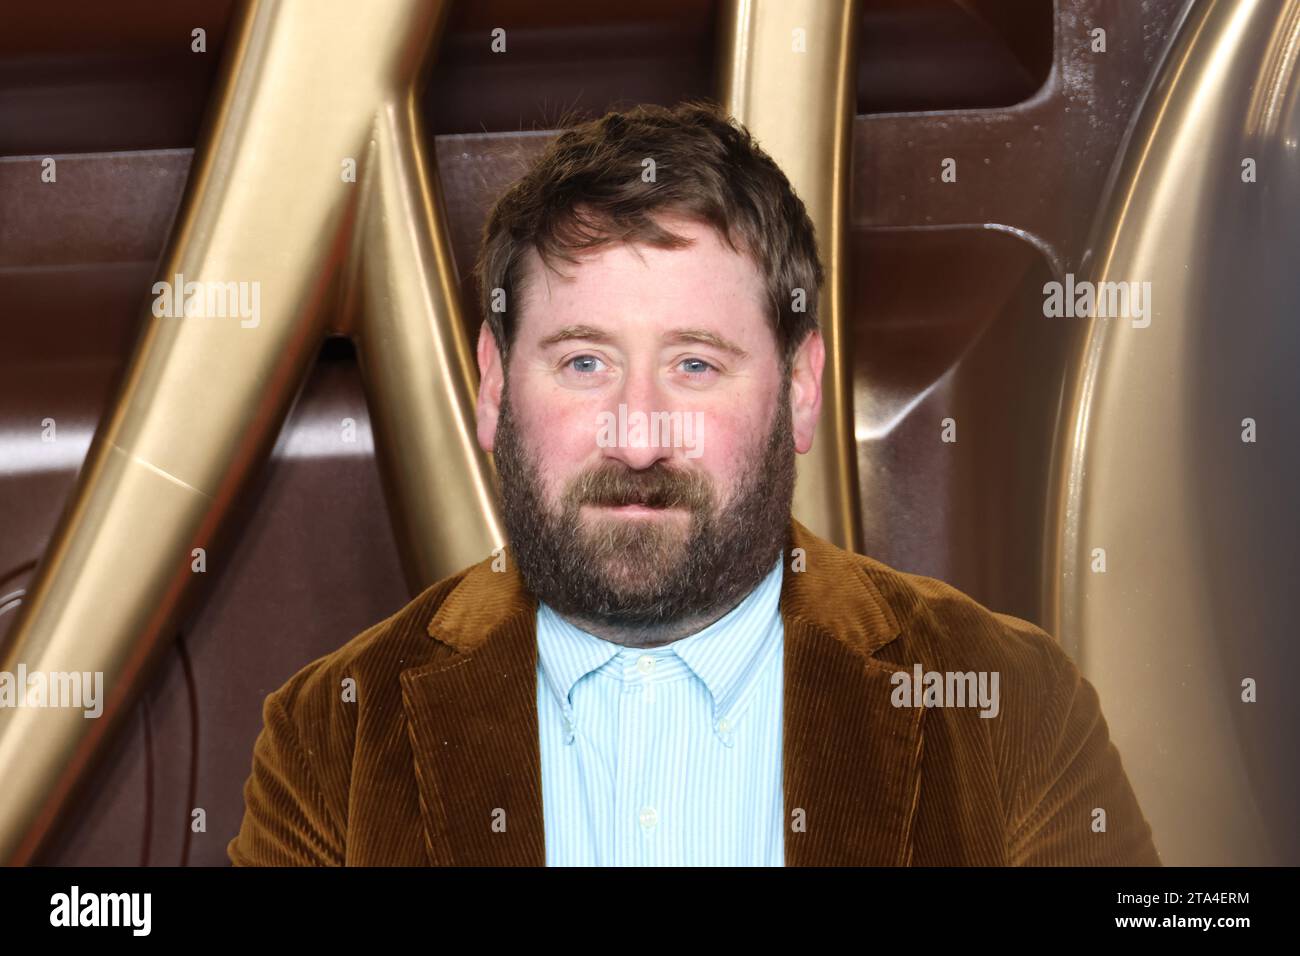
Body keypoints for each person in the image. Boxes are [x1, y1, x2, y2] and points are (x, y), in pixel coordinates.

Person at [228, 100, 1159, 866]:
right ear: (494, 386)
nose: (639, 436)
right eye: (585, 363)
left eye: (696, 366)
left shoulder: (1007, 701)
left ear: (799, 390)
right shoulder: (330, 739)